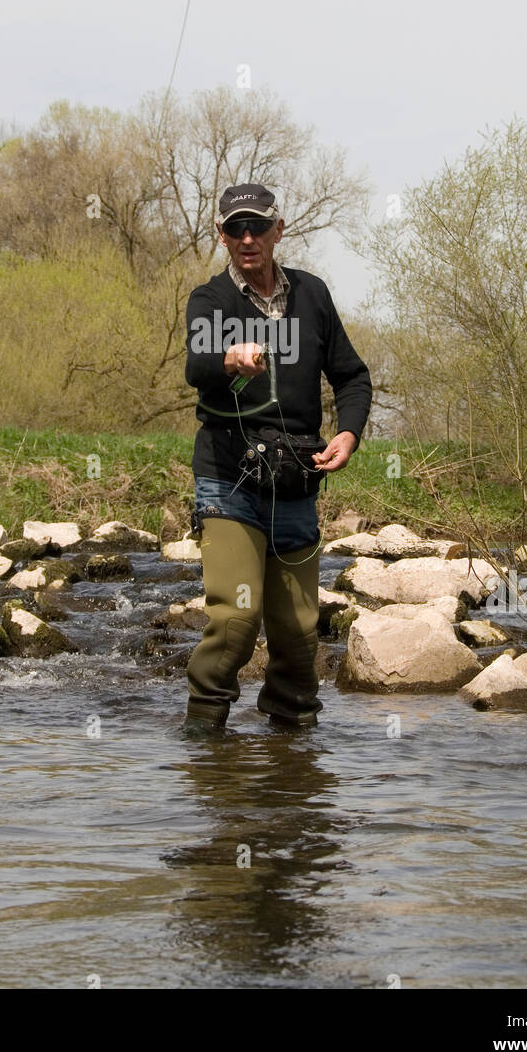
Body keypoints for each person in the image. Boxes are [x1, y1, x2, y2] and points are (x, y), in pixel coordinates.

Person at [183, 183, 372, 729]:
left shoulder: (312, 295)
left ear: (278, 230)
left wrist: (349, 433)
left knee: (297, 636)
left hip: (297, 481)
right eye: (235, 228)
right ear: (221, 235)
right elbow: (195, 365)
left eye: (258, 227)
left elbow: (352, 376)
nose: (247, 238)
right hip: (230, 482)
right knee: (237, 620)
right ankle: (204, 742)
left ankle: (292, 763)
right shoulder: (212, 300)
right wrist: (228, 355)